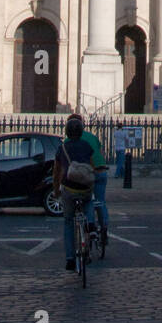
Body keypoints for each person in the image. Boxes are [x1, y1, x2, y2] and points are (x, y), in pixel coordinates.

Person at [52, 115, 96, 272]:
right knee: (89, 201)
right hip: (84, 188)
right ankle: (91, 224)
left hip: (69, 189)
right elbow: (91, 166)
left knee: (68, 222)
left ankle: (70, 259)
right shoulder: (86, 145)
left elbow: (56, 171)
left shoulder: (62, 147)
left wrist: (56, 189)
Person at [77, 117, 109, 244]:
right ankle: (104, 226)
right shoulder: (92, 136)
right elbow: (100, 152)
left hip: (88, 172)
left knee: (88, 200)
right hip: (101, 170)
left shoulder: (71, 139)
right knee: (101, 201)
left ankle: (91, 228)